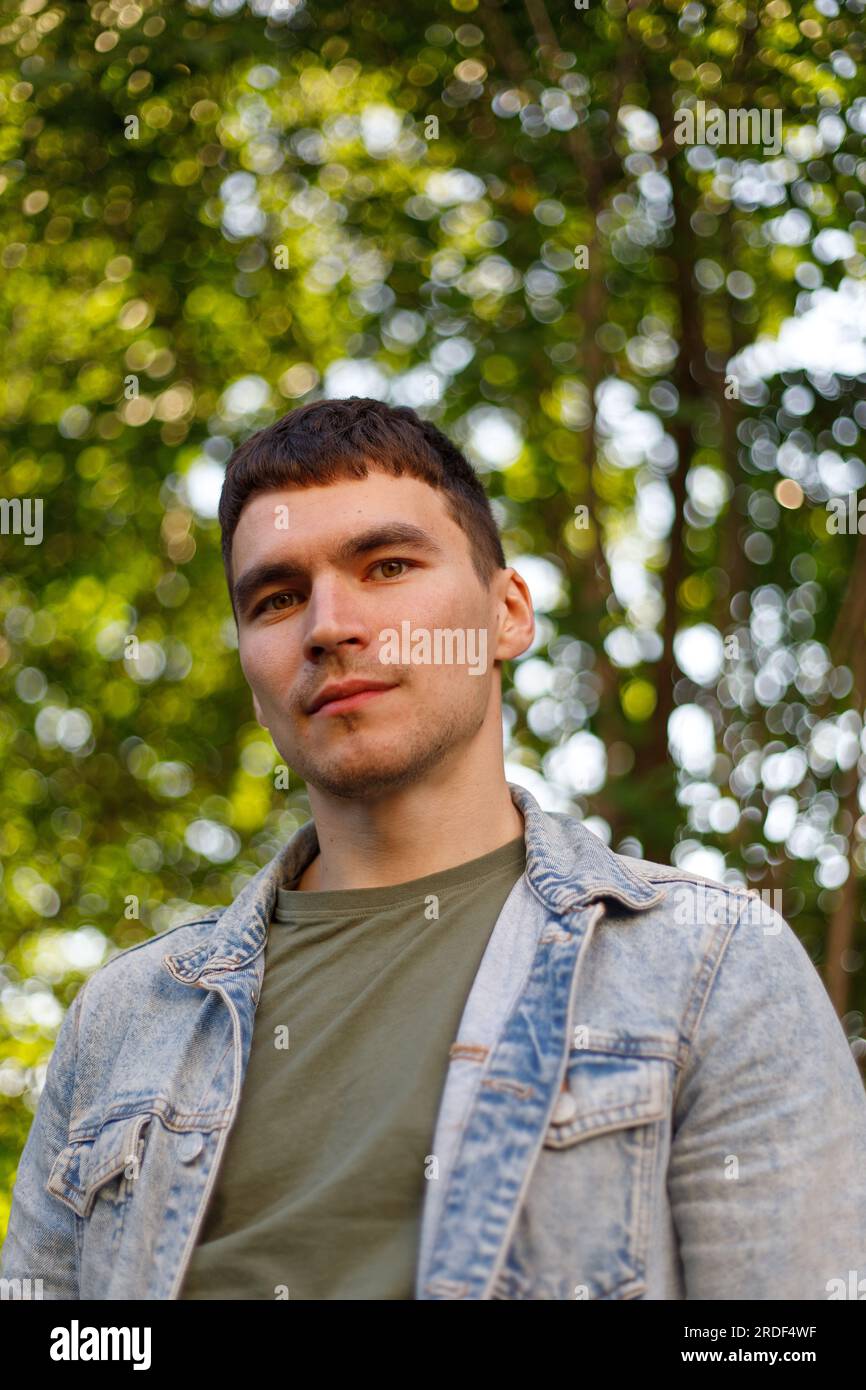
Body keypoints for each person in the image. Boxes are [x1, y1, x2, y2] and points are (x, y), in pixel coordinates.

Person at [3, 396, 866, 1300]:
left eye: (386, 565)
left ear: (508, 614)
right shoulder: (124, 1020)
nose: (328, 625)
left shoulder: (711, 961)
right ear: (255, 684)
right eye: (278, 597)